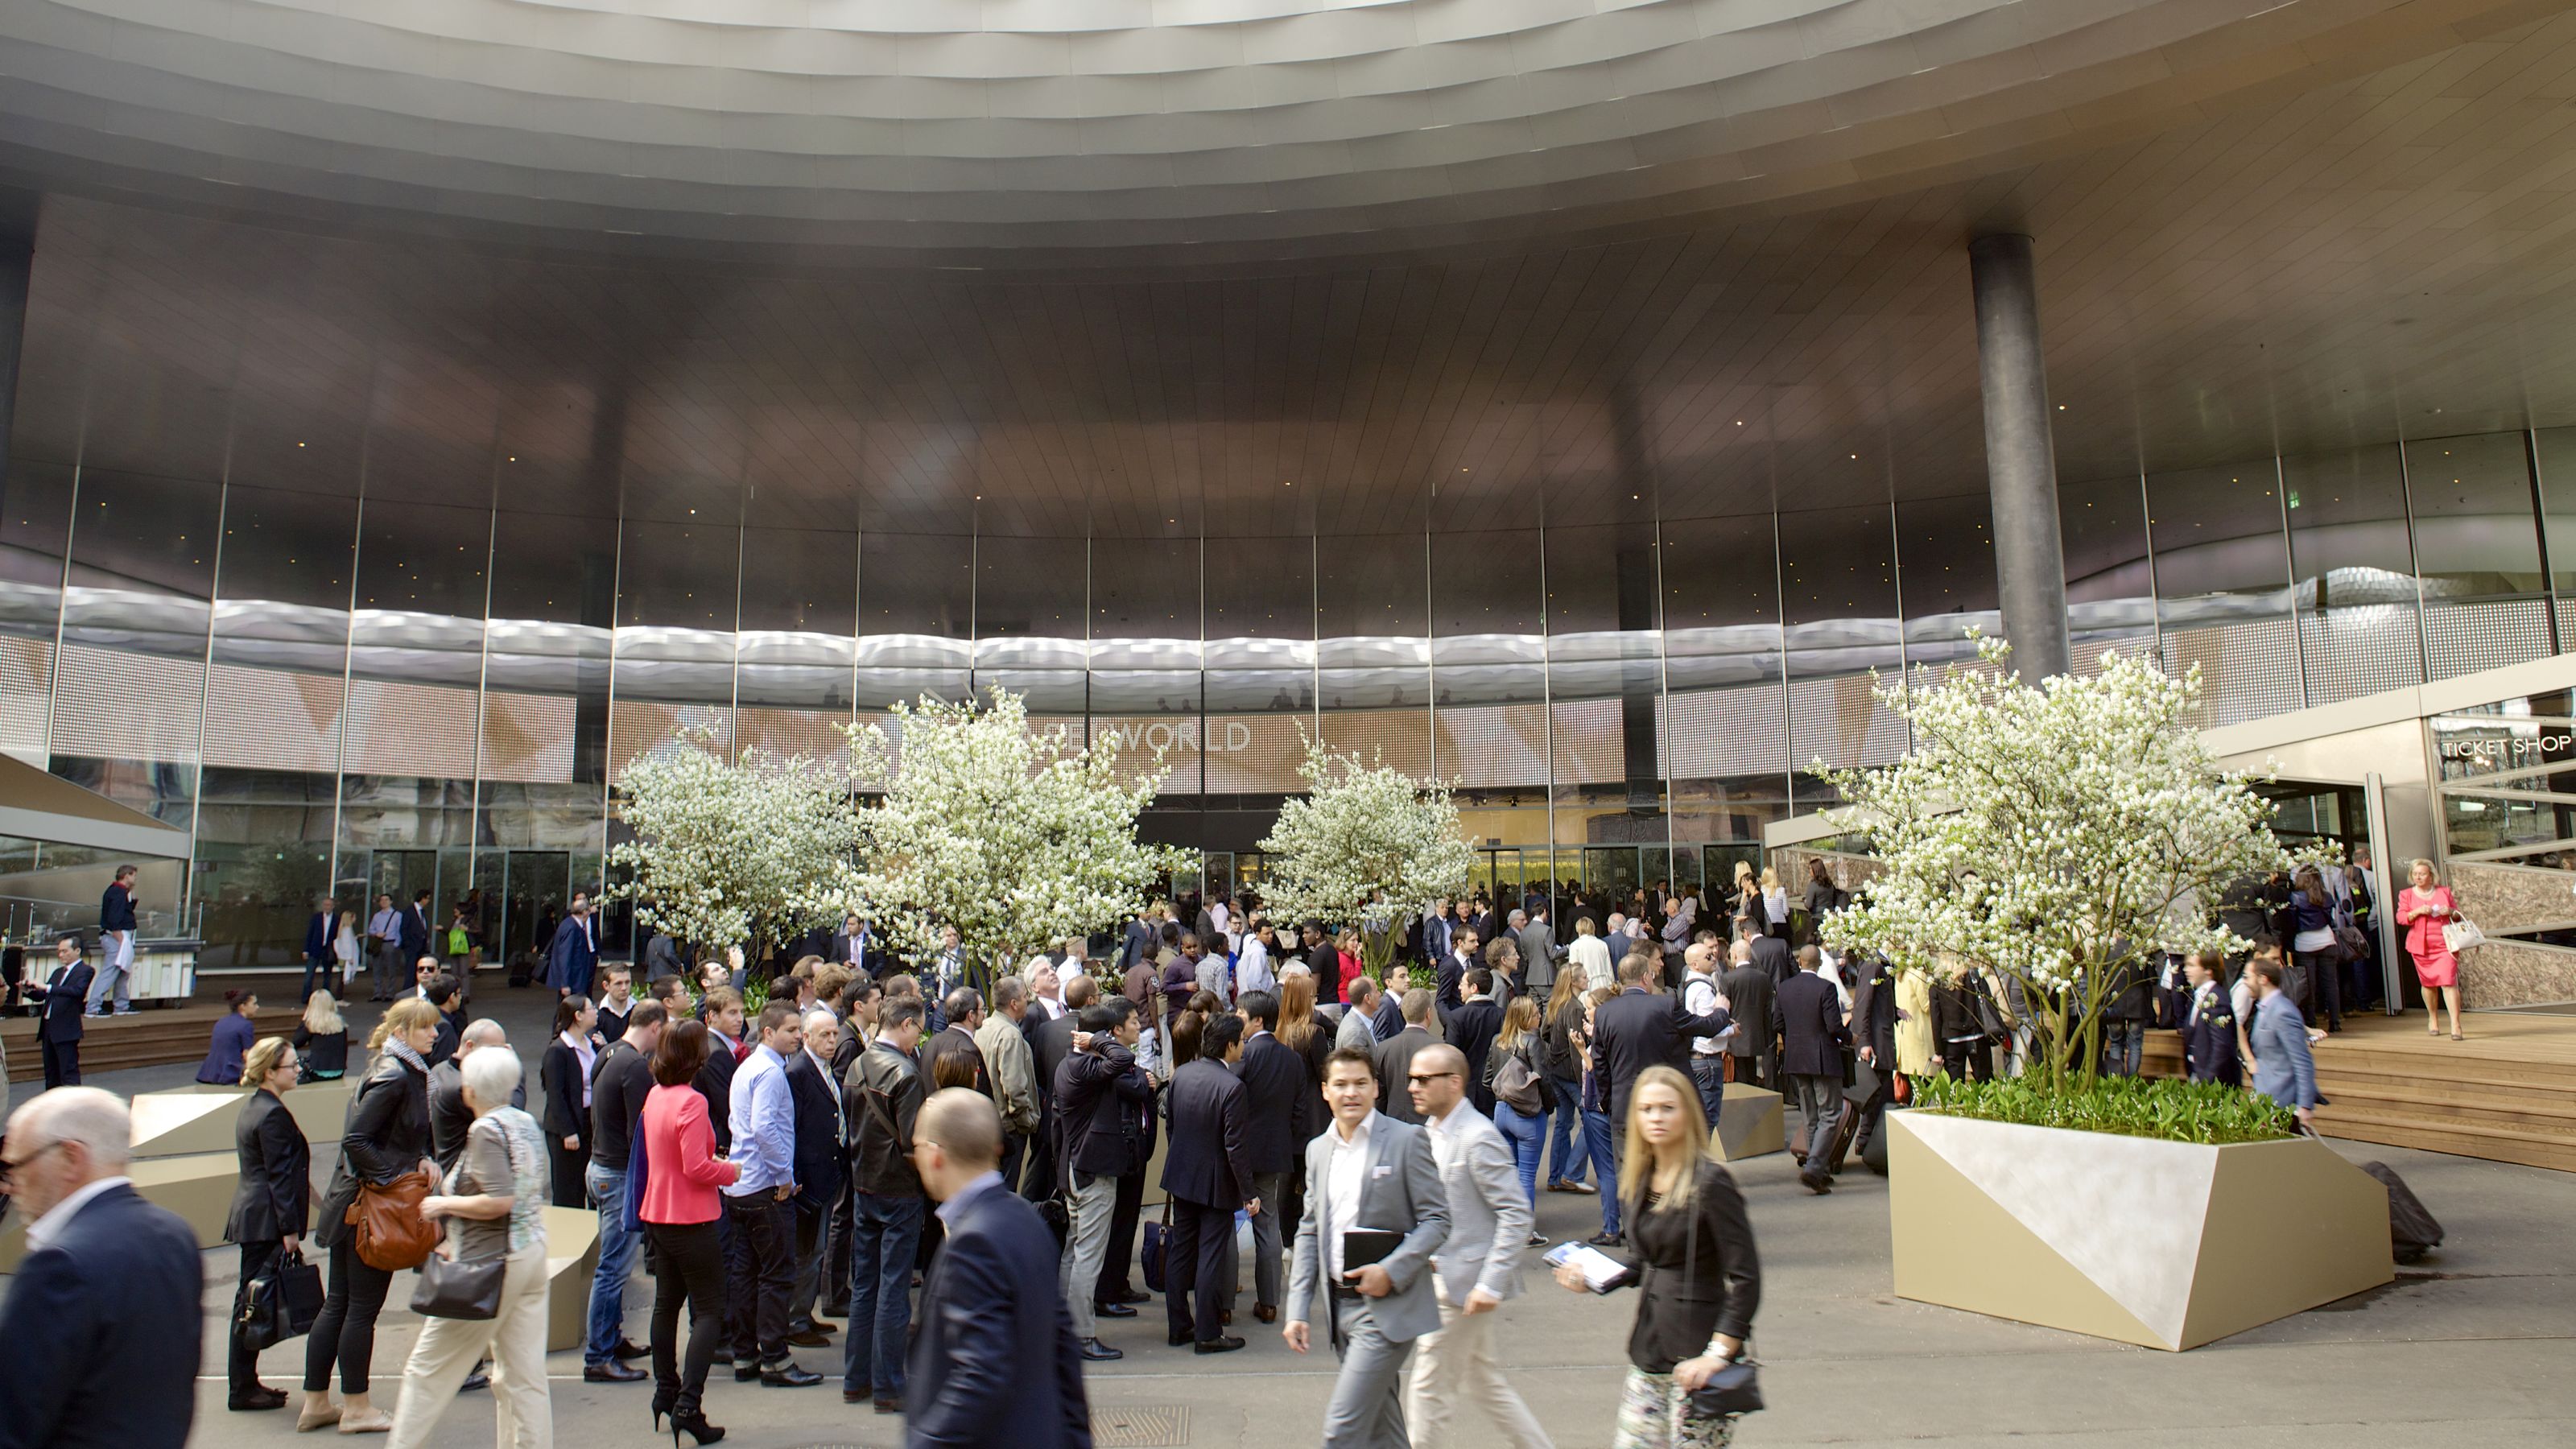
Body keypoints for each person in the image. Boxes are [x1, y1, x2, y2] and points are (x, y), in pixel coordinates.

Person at [1554, 1064, 1761, 1449]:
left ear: (1688, 1113)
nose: (1656, 1118)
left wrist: (1718, 1353)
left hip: (1698, 1362)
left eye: (1667, 1107)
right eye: (1646, 1109)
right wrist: (1592, 1276)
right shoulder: (1640, 1179)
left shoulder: (1712, 1183)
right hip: (1648, 1352)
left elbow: (1746, 1278)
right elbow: (1643, 1260)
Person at [0, 1088, 202, 1449]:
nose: (10, 1184)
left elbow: (13, 1420)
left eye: (16, 1165)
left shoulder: (58, 1265)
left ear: (69, 1157)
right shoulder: (175, 1234)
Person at [904, 1088, 1095, 1447]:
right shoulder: (1026, 1218)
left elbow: (981, 1373)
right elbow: (1062, 1349)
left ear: (936, 1155)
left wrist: (927, 1441)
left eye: (917, 1147)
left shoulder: (973, 1243)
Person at [383, 1045, 551, 1449]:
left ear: (470, 1090)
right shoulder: (525, 1122)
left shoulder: (485, 1131)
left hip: (487, 1264)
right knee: (522, 1376)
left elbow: (499, 1199)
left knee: (428, 1370)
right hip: (529, 1255)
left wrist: (444, 1204)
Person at [1282, 1046, 1451, 1449]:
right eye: (1340, 1084)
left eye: (1360, 1083)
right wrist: (1298, 1309)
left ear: (1376, 1088)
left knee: (1342, 1430)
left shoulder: (1407, 1140)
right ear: (1325, 1091)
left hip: (1388, 1309)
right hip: (1340, 1308)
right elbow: (1309, 1231)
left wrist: (1391, 1269)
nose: (1351, 1093)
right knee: (1383, 1429)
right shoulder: (1318, 1150)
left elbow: (1438, 1220)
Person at [303, 996, 440, 1434]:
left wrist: (415, 1157)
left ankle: (317, 1403)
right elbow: (358, 1140)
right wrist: (395, 1181)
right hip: (366, 1207)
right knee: (360, 1308)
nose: (435, 1034)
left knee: (341, 1304)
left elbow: (377, 1136)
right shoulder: (397, 1075)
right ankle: (357, 1407)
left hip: (352, 1202)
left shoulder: (392, 1068)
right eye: (426, 1028)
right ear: (402, 1033)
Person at [1403, 1043, 1550, 1449]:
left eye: (1423, 1079)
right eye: (1411, 1078)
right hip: (1443, 1282)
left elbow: (1516, 1214)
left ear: (1454, 1083)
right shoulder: (1432, 1131)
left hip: (1462, 1287)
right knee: (1485, 1384)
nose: (1413, 1086)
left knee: (1426, 1389)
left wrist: (1489, 1283)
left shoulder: (1477, 1137)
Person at [639, 1021, 741, 1445]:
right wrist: (730, 1171)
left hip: (658, 1212)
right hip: (691, 1216)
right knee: (711, 1309)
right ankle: (687, 1405)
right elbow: (697, 1167)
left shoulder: (656, 1095)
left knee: (667, 1305)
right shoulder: (692, 1102)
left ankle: (666, 1391)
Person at [723, 1001, 823, 1387]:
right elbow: (764, 1128)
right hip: (764, 1188)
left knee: (746, 1273)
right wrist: (784, 1176)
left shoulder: (751, 1066)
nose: (799, 1037)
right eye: (792, 1031)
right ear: (768, 1033)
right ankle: (775, 1360)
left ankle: (746, 1355)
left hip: (743, 1186)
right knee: (777, 1274)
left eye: (799, 1030)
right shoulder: (769, 1073)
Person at [1055, 995, 1154, 1362]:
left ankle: (1064, 1327)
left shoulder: (1070, 1065)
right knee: (1087, 1256)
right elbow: (1125, 1059)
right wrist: (1096, 1041)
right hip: (1093, 1170)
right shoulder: (1087, 1065)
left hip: (1074, 1166)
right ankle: (1080, 1335)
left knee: (1073, 1248)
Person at [845, 995, 928, 1411]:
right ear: (908, 1024)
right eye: (919, 1029)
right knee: (894, 1289)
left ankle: (856, 1379)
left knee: (866, 1285)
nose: (919, 1038)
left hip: (865, 1184)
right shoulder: (906, 1073)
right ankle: (889, 1386)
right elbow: (914, 1138)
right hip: (898, 1188)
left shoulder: (858, 1063)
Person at [225, 1035, 312, 1410]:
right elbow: (278, 1175)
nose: (298, 1070)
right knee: (251, 1304)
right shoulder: (272, 1113)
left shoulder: (257, 1106)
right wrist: (290, 1230)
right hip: (265, 1219)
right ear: (271, 1072)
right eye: (292, 1066)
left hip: (256, 1213)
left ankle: (246, 1383)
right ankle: (242, 1388)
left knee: (250, 1301)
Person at [1164, 1012, 1257, 1352]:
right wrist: (1248, 1192)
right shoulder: (1232, 1086)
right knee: (1210, 1256)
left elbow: (1171, 1126)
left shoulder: (1182, 1074)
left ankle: (1179, 1326)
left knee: (1182, 1250)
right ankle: (1207, 1332)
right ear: (1230, 1045)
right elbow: (1235, 1145)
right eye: (1242, 1040)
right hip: (1216, 1181)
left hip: (1182, 1174)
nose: (1244, 1046)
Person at [585, 1000, 667, 1384]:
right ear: (654, 1027)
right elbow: (642, 1131)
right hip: (617, 1173)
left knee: (613, 1264)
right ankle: (598, 1354)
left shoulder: (609, 1052)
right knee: (613, 1268)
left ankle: (611, 1340)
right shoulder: (634, 1065)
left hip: (601, 1166)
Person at [1592, 954, 1732, 1154]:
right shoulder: (1664, 1006)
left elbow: (1600, 1065)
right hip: (1664, 1107)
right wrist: (1721, 1011)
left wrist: (1609, 1103)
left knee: (1629, 1175)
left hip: (1624, 1107)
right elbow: (1705, 1027)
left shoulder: (1604, 1013)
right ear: (1646, 977)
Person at [1234, 989, 1303, 1326]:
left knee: (1226, 1225)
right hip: (1274, 1152)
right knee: (1268, 1224)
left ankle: (1223, 1301)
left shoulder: (1243, 1058)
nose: (1237, 1019)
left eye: (1241, 1014)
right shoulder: (1292, 1059)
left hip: (1239, 1152)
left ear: (1258, 1020)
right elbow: (1299, 1110)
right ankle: (1270, 1301)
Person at [783, 1007, 846, 1348]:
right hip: (807, 1181)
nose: (832, 1041)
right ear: (806, 1037)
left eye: (835, 1034)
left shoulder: (824, 1068)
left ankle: (803, 1313)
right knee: (806, 1253)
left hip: (826, 1176)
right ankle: (794, 1320)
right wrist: (795, 1177)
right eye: (825, 1035)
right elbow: (791, 1129)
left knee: (817, 1251)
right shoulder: (799, 1072)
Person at [1776, 945, 1850, 1191]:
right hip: (1822, 1057)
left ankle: (1819, 1167)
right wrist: (1851, 1037)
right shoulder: (1825, 988)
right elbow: (1834, 1027)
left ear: (1799, 961)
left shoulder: (1784, 987)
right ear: (1818, 964)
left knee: (1809, 1115)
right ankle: (1815, 1169)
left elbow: (1777, 1022)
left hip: (1796, 1057)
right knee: (1830, 1113)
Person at [974, 976, 1042, 1191]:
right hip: (1010, 1129)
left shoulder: (984, 1027)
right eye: (1025, 997)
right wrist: (1027, 1121)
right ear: (1014, 1003)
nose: (1028, 1001)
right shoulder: (1010, 1035)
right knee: (1005, 1190)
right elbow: (1014, 1088)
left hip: (989, 1124)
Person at [1484, 995, 1548, 1214]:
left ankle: (1507, 1220)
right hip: (1527, 1114)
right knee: (1527, 1174)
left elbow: (1487, 1079)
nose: (1539, 1017)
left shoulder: (1496, 1041)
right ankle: (1526, 1230)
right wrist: (1547, 1107)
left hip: (1501, 1111)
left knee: (1508, 1172)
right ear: (1524, 1019)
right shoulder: (1532, 1041)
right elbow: (1544, 1079)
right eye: (1535, 1014)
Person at [540, 994, 599, 1209]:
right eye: (591, 1008)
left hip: (587, 1120)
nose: (595, 1011)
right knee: (568, 1187)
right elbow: (556, 1095)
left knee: (586, 1183)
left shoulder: (591, 1042)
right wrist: (567, 1131)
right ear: (578, 1016)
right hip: (567, 1126)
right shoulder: (558, 1050)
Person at [2248, 958, 2320, 1128]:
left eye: (2248, 977)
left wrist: (2304, 1105)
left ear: (2263, 979)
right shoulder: (2264, 1008)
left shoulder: (2282, 1011)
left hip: (2284, 1107)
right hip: (2266, 1104)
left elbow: (2302, 1060)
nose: (2245, 982)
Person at [2399, 857, 2466, 1041]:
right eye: (2415, 874)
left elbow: (2458, 916)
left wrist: (2450, 912)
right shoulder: (2407, 895)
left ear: (2431, 876)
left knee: (2448, 982)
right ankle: (2433, 1018)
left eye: (2422, 874)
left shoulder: (2444, 892)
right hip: (2421, 947)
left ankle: (2455, 1024)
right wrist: (2418, 911)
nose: (2418, 877)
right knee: (2428, 984)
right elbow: (2402, 918)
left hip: (2445, 945)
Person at [1538, 969, 1591, 1195]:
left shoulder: (1556, 1003)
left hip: (1555, 1070)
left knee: (1564, 1122)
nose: (1588, 979)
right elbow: (1576, 1047)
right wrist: (1583, 1081)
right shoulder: (1575, 1007)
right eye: (1585, 977)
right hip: (1570, 1073)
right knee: (1592, 1119)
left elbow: (1544, 1033)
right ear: (1574, 982)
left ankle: (1556, 1176)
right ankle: (1572, 1173)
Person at [29, 934, 92, 1088]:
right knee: (51, 1073)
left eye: (65, 951)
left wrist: (47, 987)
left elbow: (76, 991)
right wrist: (29, 989)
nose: (61, 955)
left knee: (68, 1072)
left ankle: (72, 1107)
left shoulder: (85, 970)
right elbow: (43, 995)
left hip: (66, 1029)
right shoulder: (58, 972)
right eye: (59, 951)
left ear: (77, 951)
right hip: (49, 1028)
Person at [1373, 989, 1439, 1124]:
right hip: (1429, 1125)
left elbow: (1380, 1095)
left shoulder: (1383, 1048)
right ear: (1428, 1013)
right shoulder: (1440, 1048)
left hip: (1392, 1124)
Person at [2178, 952, 2242, 1086]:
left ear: (2208, 971)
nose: (2185, 969)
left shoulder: (2217, 1000)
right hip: (2197, 1073)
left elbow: (2221, 1045)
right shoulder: (2197, 996)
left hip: (2214, 1080)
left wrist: (2207, 1081)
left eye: (2191, 965)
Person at [1450, 962, 1505, 1114]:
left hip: (1466, 1091)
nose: (1459, 987)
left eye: (1462, 984)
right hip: (1495, 1089)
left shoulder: (1457, 1017)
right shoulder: (1501, 1015)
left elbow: (1452, 1056)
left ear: (1474, 988)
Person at [89, 862, 138, 1017]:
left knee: (122, 971)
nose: (135, 878)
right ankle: (94, 1007)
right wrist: (120, 938)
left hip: (119, 935)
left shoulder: (119, 891)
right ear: (127, 875)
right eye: (133, 875)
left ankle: (121, 1004)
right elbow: (114, 917)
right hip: (117, 936)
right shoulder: (118, 892)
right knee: (111, 970)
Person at [195, 986, 261, 1084]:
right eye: (254, 1004)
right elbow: (247, 1053)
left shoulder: (221, 1021)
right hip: (231, 1072)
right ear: (243, 1006)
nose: (257, 1007)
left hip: (210, 1071)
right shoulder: (246, 1025)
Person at [546, 890, 599, 1000]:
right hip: (573, 980)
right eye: (588, 911)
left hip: (575, 978)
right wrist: (565, 984)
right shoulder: (572, 928)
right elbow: (565, 956)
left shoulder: (570, 924)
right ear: (584, 912)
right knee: (568, 1010)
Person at [295, 988, 350, 1081]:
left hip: (318, 1070)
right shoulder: (341, 1024)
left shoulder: (311, 1024)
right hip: (338, 1070)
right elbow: (344, 1049)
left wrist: (304, 1021)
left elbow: (296, 1042)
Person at [303, 895, 339, 1002]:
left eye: (329, 905)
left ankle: (325, 999)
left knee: (327, 975)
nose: (326, 907)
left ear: (333, 906)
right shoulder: (316, 917)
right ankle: (306, 997)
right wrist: (306, 949)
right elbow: (310, 934)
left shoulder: (337, 919)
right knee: (309, 974)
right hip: (315, 949)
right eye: (325, 905)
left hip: (328, 950)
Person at [1338, 975, 1385, 1051]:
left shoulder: (1363, 1021)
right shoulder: (1354, 1033)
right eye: (1376, 991)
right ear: (1367, 998)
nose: (1380, 994)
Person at [1569, 916, 1615, 992]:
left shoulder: (1575, 945)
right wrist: (1612, 984)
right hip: (1603, 984)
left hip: (1585, 986)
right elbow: (1609, 969)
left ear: (1578, 929)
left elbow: (1574, 970)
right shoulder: (1602, 944)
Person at [598, 965, 638, 1044]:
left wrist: (606, 1046)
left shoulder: (640, 1010)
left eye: (627, 982)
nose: (624, 988)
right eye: (618, 983)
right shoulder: (596, 1013)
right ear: (606, 986)